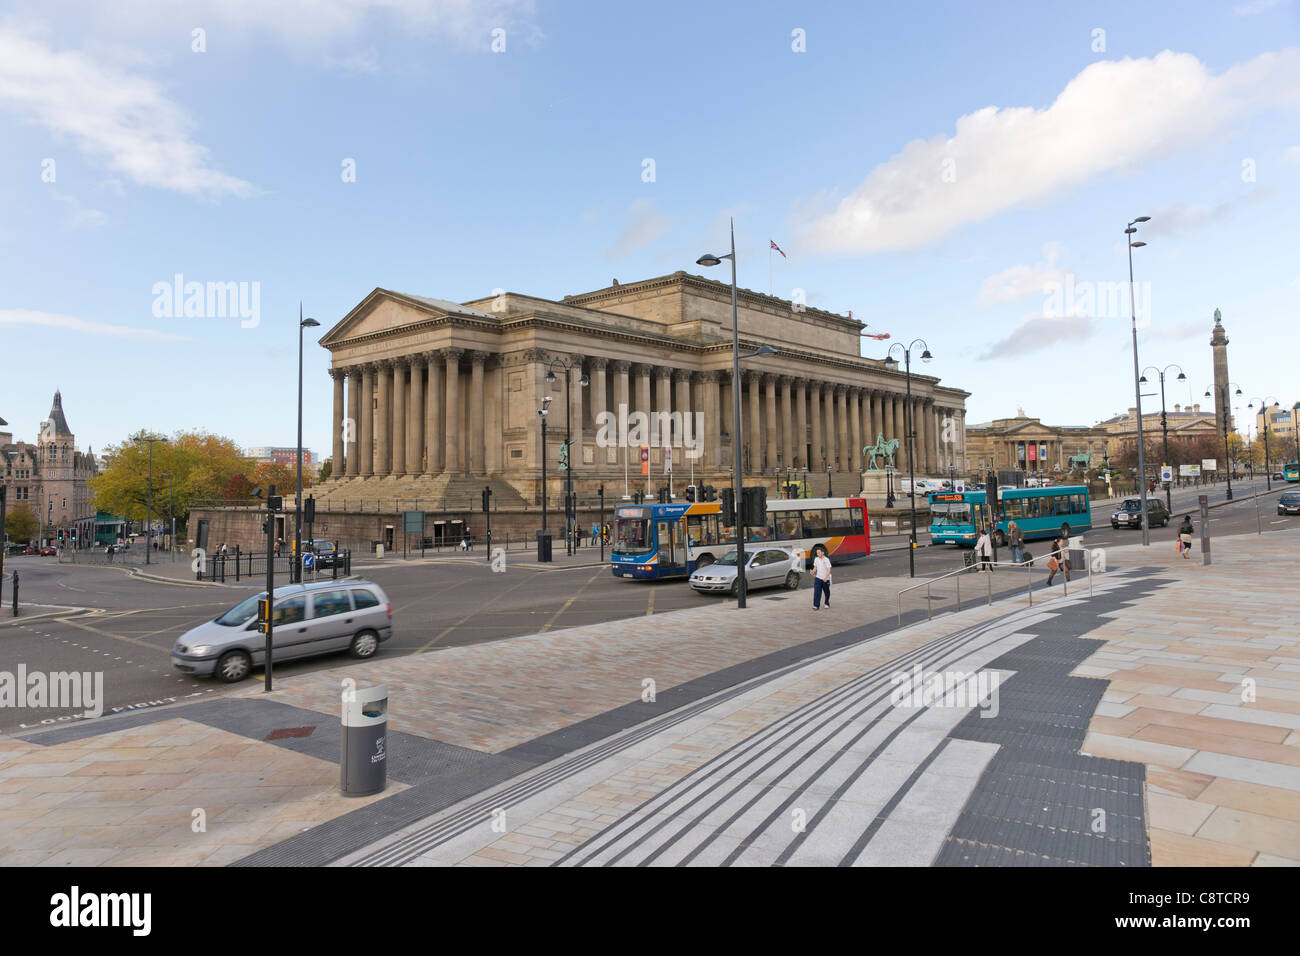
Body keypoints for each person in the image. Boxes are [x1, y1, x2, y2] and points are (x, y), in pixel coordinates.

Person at [811, 544, 832, 610]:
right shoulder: (816, 559)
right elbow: (815, 567)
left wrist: (826, 577)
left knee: (827, 592)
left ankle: (826, 603)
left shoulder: (826, 560)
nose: (818, 554)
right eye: (817, 553)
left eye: (819, 552)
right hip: (818, 578)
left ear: (823, 553)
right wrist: (813, 571)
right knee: (817, 592)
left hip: (825, 579)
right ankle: (816, 605)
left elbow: (829, 569)